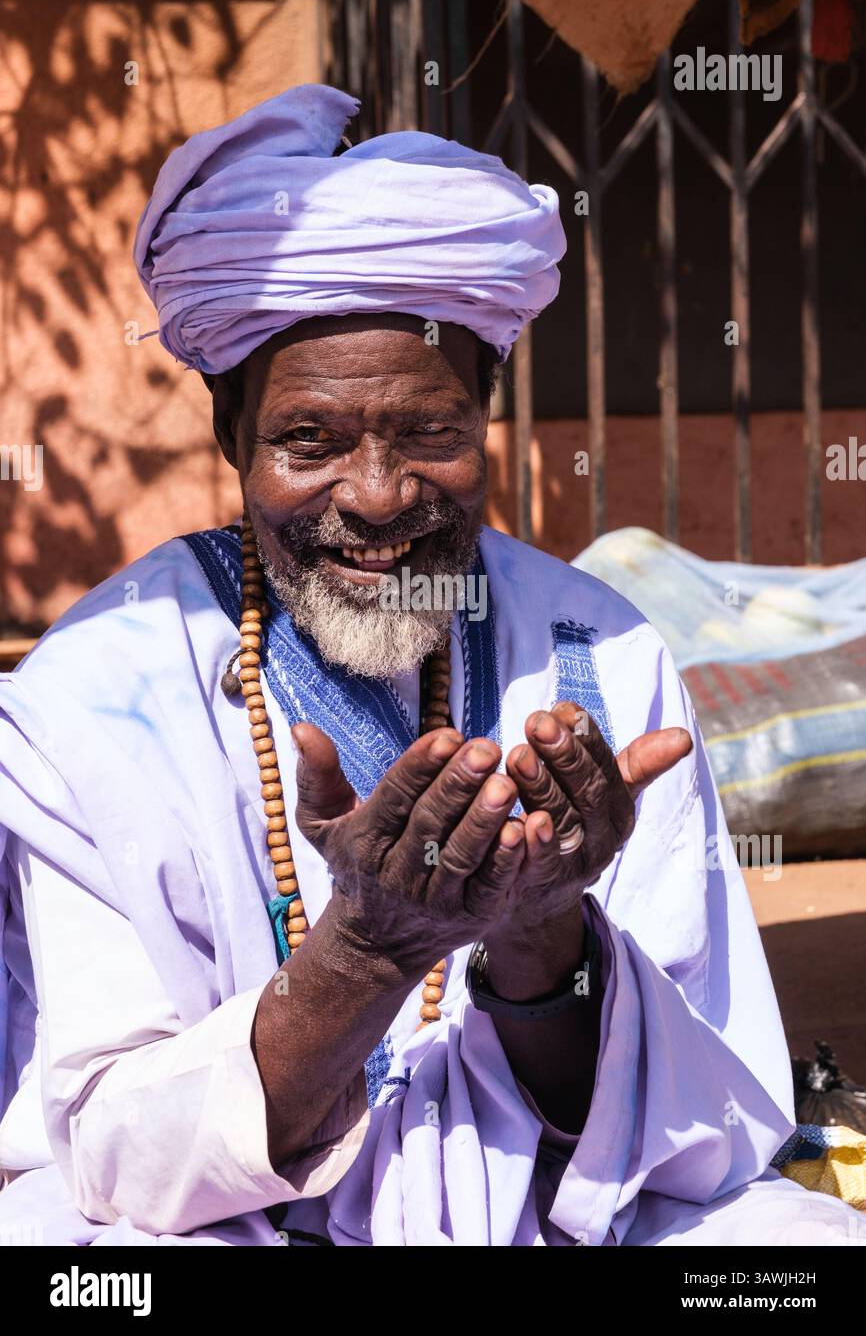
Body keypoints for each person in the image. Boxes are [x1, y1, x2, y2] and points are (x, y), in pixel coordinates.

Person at [0, 85, 859, 1247]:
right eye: (308, 440)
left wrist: (541, 935)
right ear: (229, 439)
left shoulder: (600, 656)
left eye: (430, 434)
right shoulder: (91, 696)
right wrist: (364, 950)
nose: (375, 495)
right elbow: (113, 1155)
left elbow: (697, 1144)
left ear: (486, 419)